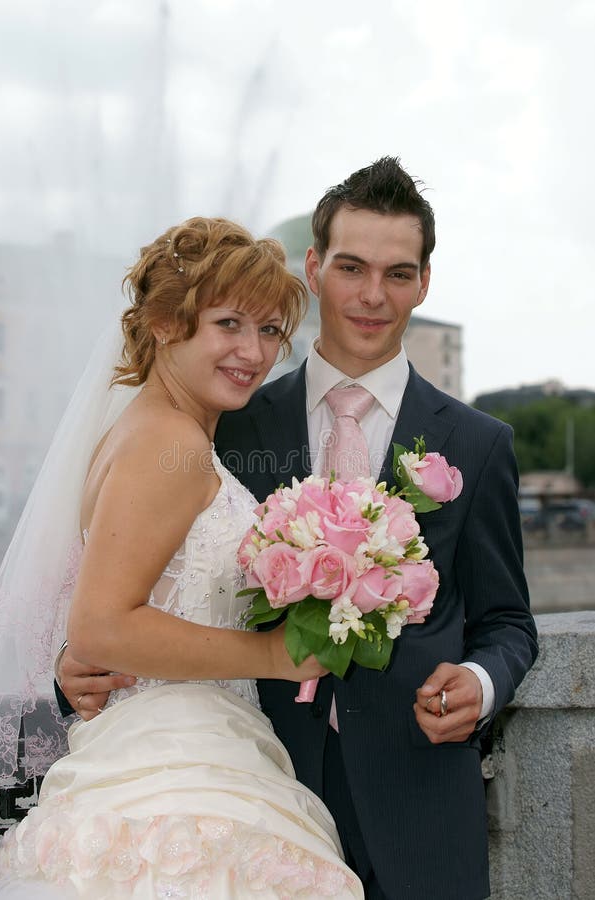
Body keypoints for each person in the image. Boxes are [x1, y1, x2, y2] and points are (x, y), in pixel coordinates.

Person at [57, 158, 538, 899]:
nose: (372, 295)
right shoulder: (220, 419)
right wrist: (77, 664)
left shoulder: (478, 444)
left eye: (398, 273)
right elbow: (133, 575)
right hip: (250, 791)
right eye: (350, 267)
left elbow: (507, 620)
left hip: (420, 805)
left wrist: (481, 679)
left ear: (424, 282)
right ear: (314, 268)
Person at [0, 217, 364, 899]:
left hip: (174, 748)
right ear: (162, 323)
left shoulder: (150, 432)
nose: (254, 351)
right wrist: (273, 656)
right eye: (229, 323)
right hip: (179, 768)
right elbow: (102, 626)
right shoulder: (165, 445)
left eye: (270, 331)